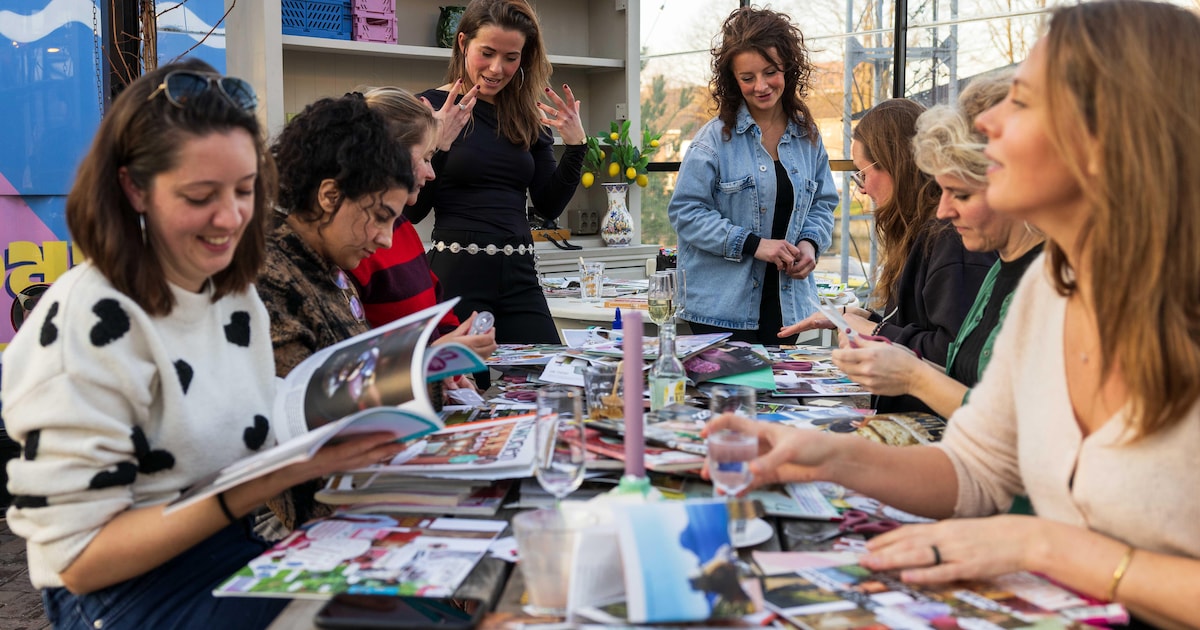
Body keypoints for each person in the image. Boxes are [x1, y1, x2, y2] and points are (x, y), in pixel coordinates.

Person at [710, 2, 1200, 625]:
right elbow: (977, 469)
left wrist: (1046, 545)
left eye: (1022, 102)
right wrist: (819, 455)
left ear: (1109, 139)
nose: (988, 118)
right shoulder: (1053, 291)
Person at [0, 60, 406, 629]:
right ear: (132, 189)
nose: (232, 216)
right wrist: (276, 475)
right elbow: (81, 564)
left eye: (245, 191)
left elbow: (259, 420)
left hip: (232, 551)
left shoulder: (229, 293)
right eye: (199, 195)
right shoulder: (93, 318)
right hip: (125, 596)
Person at [831, 71, 1043, 419]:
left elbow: (999, 421)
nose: (943, 210)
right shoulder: (1000, 266)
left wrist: (891, 345)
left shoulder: (960, 243)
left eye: (960, 193)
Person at [781, 98, 995, 413]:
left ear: (895, 166)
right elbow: (921, 325)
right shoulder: (922, 231)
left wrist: (877, 333)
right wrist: (862, 319)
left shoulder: (951, 238)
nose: (862, 189)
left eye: (862, 174)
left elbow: (956, 353)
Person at [405, 0, 587, 344]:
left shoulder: (526, 116)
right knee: (460, 392)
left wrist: (576, 147)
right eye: (486, 53)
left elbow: (548, 206)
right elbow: (413, 212)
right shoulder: (429, 110)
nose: (497, 68)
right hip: (456, 278)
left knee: (545, 380)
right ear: (462, 44)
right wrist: (439, 145)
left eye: (510, 57)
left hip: (520, 276)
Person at [668, 7, 837, 345]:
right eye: (747, 78)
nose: (761, 86)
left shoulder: (808, 138)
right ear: (733, 80)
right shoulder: (713, 141)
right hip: (720, 310)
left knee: (780, 398)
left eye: (770, 72)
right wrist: (754, 245)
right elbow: (686, 213)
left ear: (788, 68)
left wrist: (809, 244)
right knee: (729, 399)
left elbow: (822, 203)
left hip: (788, 308)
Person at [354, 86, 497, 365]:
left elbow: (434, 308)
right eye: (428, 158)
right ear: (390, 156)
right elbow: (361, 365)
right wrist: (435, 357)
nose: (431, 173)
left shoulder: (403, 228)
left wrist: (454, 348)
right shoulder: (353, 246)